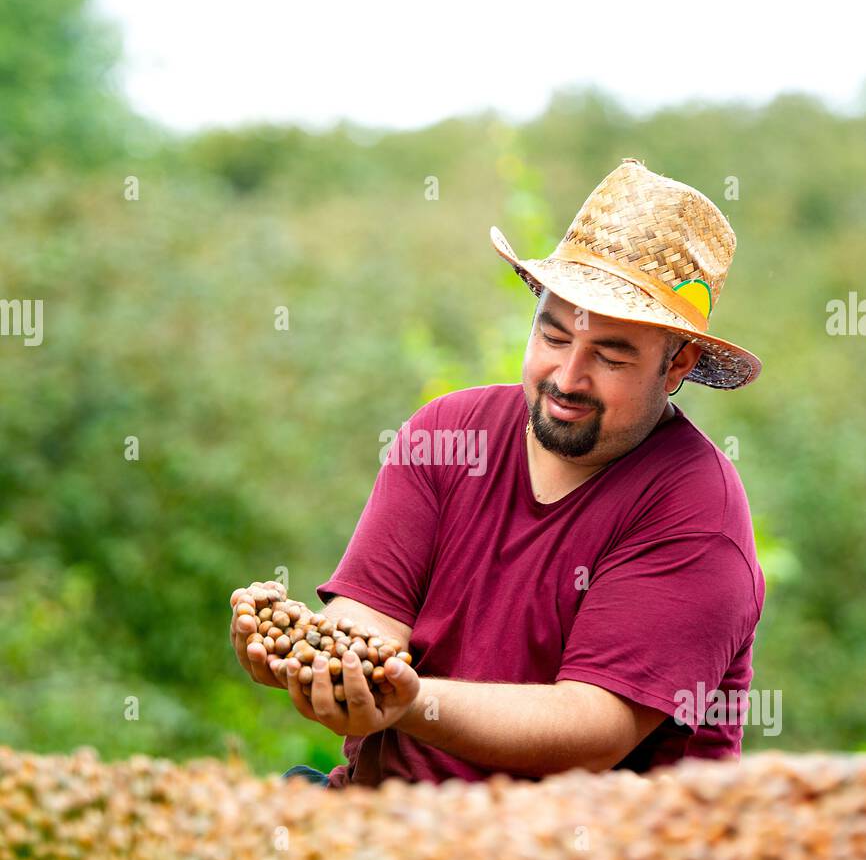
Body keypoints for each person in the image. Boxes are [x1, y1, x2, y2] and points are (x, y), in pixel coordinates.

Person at [230, 157, 765, 789]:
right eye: (555, 337)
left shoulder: (694, 509)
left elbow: (594, 726)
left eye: (611, 356)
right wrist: (319, 660)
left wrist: (412, 702)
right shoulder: (445, 434)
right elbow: (369, 625)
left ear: (677, 367)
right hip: (385, 819)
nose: (568, 379)